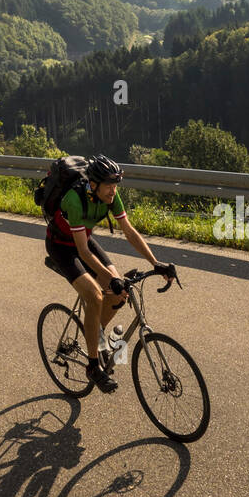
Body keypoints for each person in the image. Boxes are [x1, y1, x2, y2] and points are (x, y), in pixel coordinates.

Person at [45, 154, 175, 393]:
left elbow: (129, 231)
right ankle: (93, 366)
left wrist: (156, 262)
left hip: (84, 240)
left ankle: (95, 333)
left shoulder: (110, 196)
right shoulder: (75, 199)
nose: (113, 191)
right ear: (93, 185)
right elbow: (83, 253)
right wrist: (110, 278)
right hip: (63, 248)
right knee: (95, 295)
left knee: (119, 294)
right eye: (109, 186)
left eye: (116, 186)